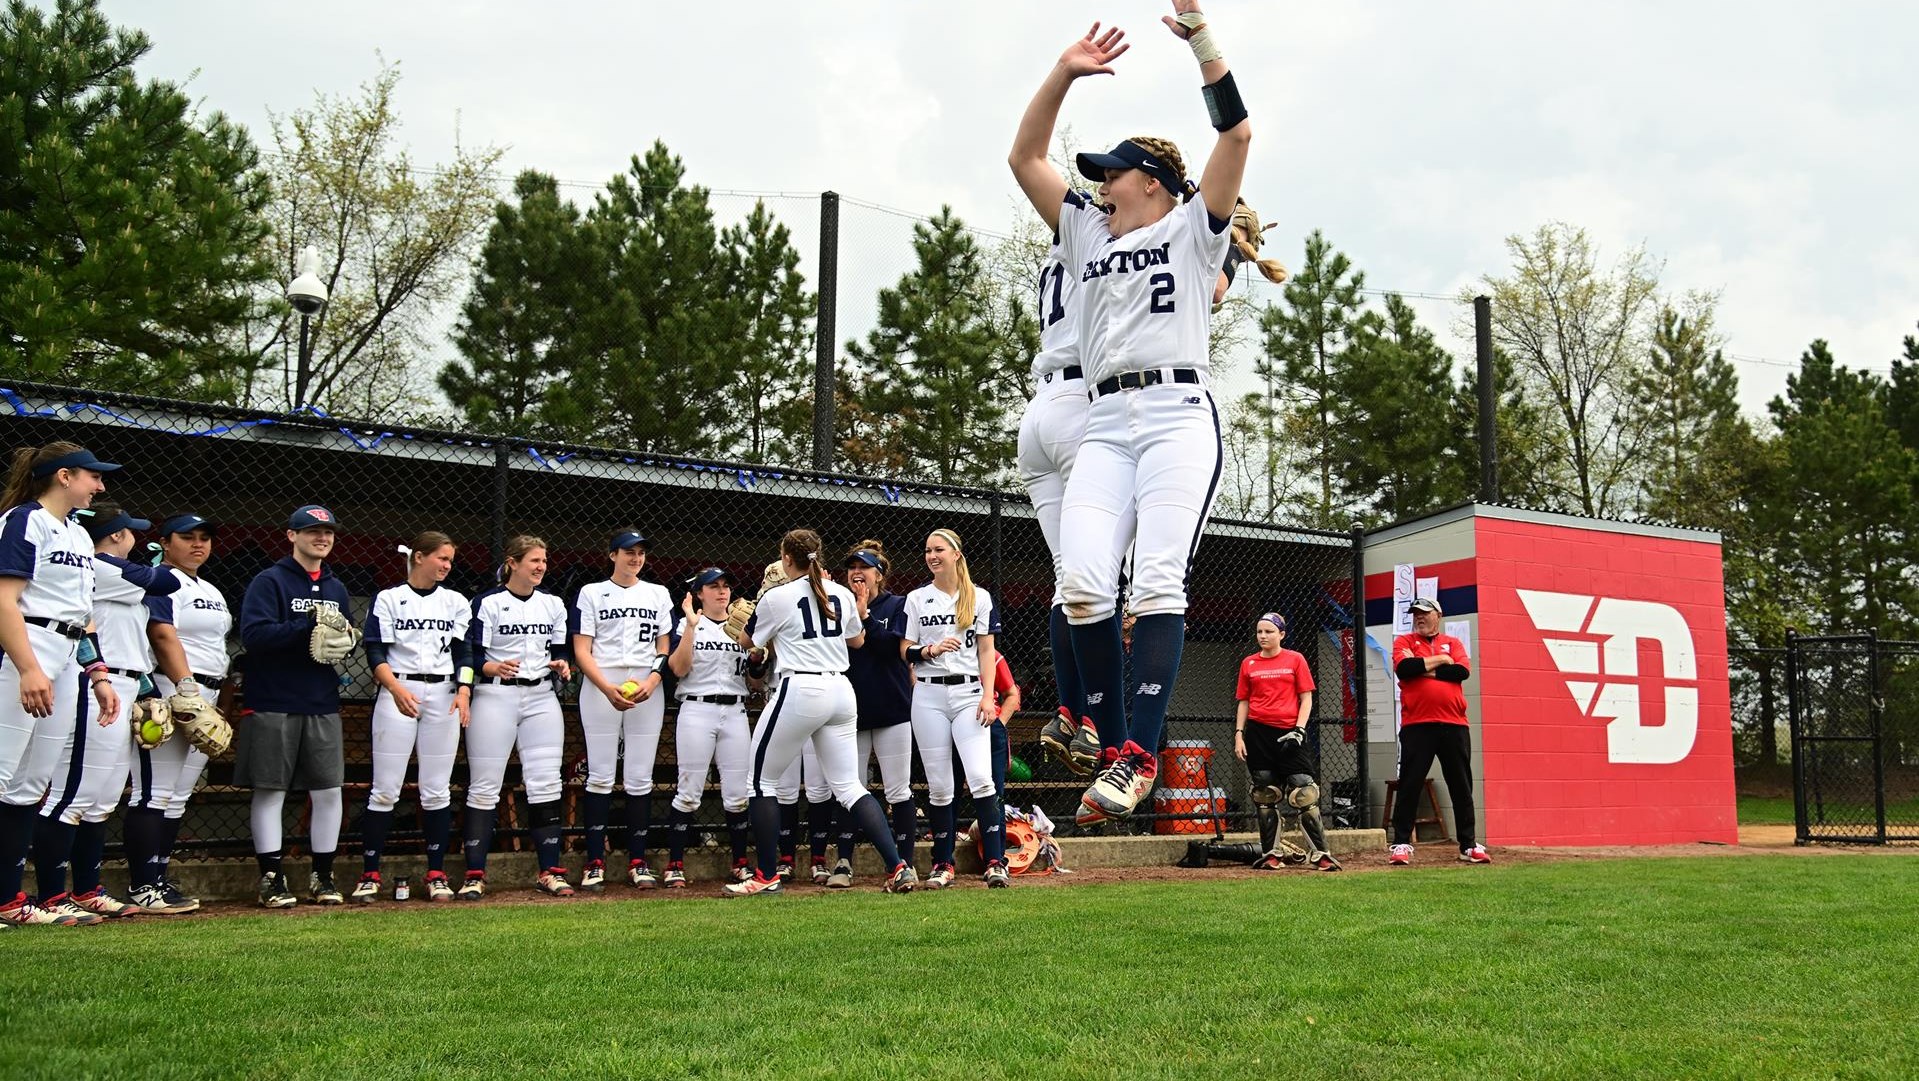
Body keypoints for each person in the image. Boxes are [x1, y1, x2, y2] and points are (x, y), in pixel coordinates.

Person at [1008, 2, 1253, 825]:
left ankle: (1138, 753)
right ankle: (1114, 744)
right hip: (1106, 421)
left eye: (1112, 173)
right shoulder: (1088, 233)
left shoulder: (1191, 228)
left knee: (1154, 580)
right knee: (1081, 584)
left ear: (1150, 182)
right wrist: (1063, 71)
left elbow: (1236, 135)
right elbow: (1024, 157)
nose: (1098, 185)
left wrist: (1203, 45)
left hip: (1177, 412)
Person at [726, 529, 916, 896]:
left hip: (801, 686)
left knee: (760, 782)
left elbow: (748, 641)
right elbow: (857, 640)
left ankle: (766, 875)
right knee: (848, 786)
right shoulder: (841, 593)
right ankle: (898, 867)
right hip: (841, 690)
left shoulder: (778, 596)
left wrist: (746, 621)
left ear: (786, 559)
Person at [31, 503, 179, 919]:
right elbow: (166, 581)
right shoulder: (101, 566)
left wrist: (147, 690)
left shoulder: (118, 574)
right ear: (115, 535)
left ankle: (86, 890)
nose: (134, 536)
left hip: (125, 681)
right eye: (129, 531)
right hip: (97, 682)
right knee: (72, 793)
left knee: (102, 798)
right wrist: (153, 569)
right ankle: (51, 895)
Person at [0, 443, 122, 928]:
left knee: (30, 784)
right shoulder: (24, 520)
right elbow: (4, 599)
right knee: (1, 773)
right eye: (94, 476)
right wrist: (29, 667)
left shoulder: (76, 532)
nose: (100, 486)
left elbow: (84, 616)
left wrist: (98, 674)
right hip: (26, 645)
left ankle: (8, 899)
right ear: (64, 476)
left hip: (68, 654)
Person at [237, 504, 358, 908]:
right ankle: (272, 878)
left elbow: (340, 640)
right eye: (312, 532)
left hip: (320, 699)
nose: (322, 538)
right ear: (292, 536)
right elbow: (254, 636)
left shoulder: (337, 588)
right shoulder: (269, 581)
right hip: (273, 698)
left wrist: (345, 641)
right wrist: (307, 625)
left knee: (328, 790)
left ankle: (323, 876)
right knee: (271, 790)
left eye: (328, 533)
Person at [353, 531, 473, 904]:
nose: (447, 565)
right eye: (441, 558)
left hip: (443, 692)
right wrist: (394, 688)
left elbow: (464, 652)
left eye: (450, 560)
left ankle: (436, 873)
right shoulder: (389, 598)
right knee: (385, 789)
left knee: (436, 789)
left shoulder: (455, 601)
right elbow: (375, 651)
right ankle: (370, 874)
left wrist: (465, 689)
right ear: (419, 557)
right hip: (398, 689)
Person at [463, 535, 574, 898]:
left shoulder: (553, 603)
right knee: (485, 785)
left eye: (544, 560)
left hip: (541, 696)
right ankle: (474, 874)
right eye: (534, 561)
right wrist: (490, 666)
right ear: (512, 563)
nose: (541, 567)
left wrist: (562, 664)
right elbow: (471, 654)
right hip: (495, 695)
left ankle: (549, 871)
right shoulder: (488, 602)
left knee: (546, 783)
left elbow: (560, 649)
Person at [132, 512, 230, 914]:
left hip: (206, 692)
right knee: (154, 791)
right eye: (187, 537)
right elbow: (160, 634)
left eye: (204, 537)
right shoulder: (161, 579)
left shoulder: (210, 588)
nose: (198, 544)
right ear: (166, 542)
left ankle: (158, 878)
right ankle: (143, 885)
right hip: (174, 689)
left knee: (177, 796)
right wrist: (185, 689)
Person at [902, 529, 1009, 889]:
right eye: (927, 550)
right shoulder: (917, 598)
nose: (932, 556)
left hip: (968, 693)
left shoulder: (979, 596)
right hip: (929, 694)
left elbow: (986, 652)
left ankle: (995, 862)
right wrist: (928, 651)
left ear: (956, 555)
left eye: (939, 550)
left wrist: (988, 696)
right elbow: (905, 649)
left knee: (981, 777)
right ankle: (942, 864)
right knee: (940, 786)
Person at [570, 528, 672, 891]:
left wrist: (654, 680)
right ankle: (594, 862)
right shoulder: (591, 592)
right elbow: (581, 650)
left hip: (646, 684)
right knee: (599, 775)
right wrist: (605, 687)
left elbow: (664, 646)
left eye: (641, 552)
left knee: (640, 777)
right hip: (603, 682)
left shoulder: (658, 593)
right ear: (612, 555)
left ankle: (638, 861)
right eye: (629, 551)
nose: (636, 558)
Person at [824, 541, 914, 889]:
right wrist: (852, 610)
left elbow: (894, 647)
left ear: (879, 574)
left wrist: (864, 616)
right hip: (852, 712)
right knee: (850, 787)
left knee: (898, 790)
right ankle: (844, 862)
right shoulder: (837, 604)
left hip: (892, 708)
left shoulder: (898, 604)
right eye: (851, 567)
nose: (856, 572)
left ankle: (905, 862)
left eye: (864, 567)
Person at [663, 567, 752, 889]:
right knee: (689, 791)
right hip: (696, 708)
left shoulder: (743, 626)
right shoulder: (686, 624)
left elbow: (754, 681)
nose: (722, 591)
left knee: (738, 794)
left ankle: (740, 863)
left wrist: (757, 655)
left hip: (735, 711)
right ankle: (674, 865)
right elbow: (678, 668)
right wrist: (690, 625)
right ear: (699, 593)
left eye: (726, 586)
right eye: (713, 587)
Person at [1233, 613, 1338, 872]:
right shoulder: (1249, 663)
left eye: (1269, 631)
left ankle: (1321, 855)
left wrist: (1299, 730)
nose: (1263, 636)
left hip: (1290, 733)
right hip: (1258, 734)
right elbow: (1244, 701)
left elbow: (1306, 698)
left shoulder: (1295, 659)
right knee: (1265, 793)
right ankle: (1272, 854)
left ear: (1281, 634)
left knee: (1304, 791)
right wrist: (1239, 734)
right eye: (1259, 631)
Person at [1390, 597, 1489, 865]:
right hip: (1417, 724)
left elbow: (1461, 672)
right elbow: (1405, 669)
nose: (1419, 618)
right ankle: (1401, 844)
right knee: (1410, 784)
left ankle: (1468, 845)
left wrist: (1425, 667)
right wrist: (1441, 660)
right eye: (1415, 614)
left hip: (1454, 724)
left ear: (1438, 615)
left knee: (1461, 785)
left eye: (1424, 613)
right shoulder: (1404, 642)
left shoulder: (1453, 643)